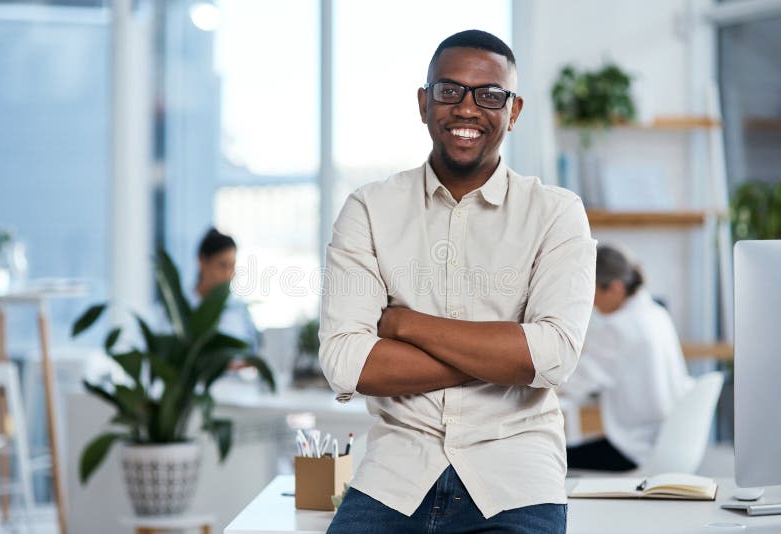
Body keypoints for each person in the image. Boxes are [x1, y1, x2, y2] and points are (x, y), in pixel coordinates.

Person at [319, 30, 596, 533]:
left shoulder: (557, 213)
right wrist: (502, 356)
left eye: (490, 95)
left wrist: (403, 324)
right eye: (450, 91)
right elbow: (345, 362)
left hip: (516, 475)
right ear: (424, 104)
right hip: (395, 475)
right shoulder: (369, 209)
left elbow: (553, 355)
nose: (467, 108)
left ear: (513, 111)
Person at [562, 244, 693, 471]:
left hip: (634, 450)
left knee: (555, 458)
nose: (591, 303)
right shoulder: (657, 314)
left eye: (592, 292)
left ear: (615, 288)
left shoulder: (618, 328)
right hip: (667, 441)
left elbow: (574, 382)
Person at [192, 227, 260, 352]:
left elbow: (253, 352)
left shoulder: (239, 310)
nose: (229, 275)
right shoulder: (177, 313)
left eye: (232, 266)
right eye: (223, 265)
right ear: (202, 262)